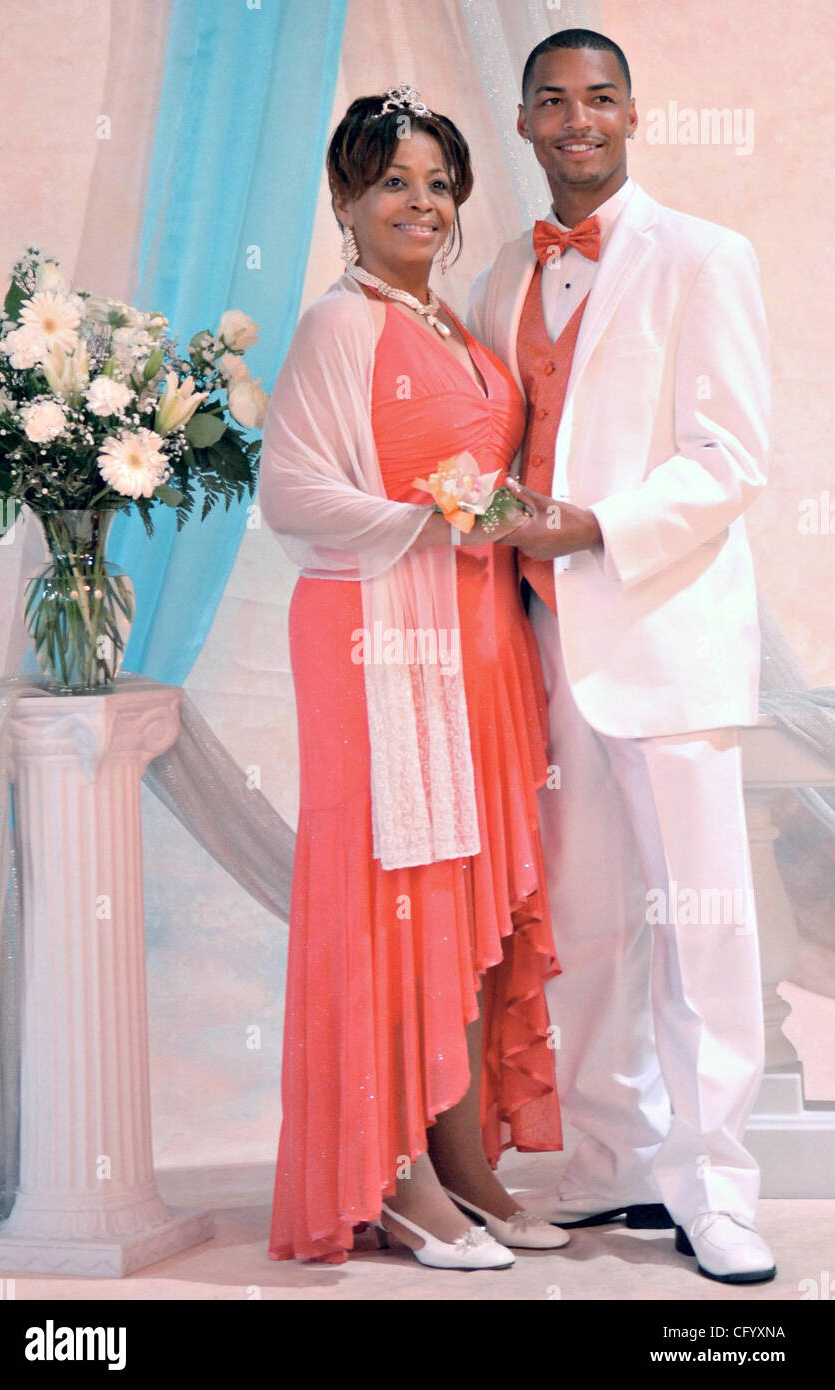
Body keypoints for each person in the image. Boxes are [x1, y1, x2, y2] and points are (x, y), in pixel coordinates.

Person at [468, 29, 775, 1284]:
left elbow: (729, 457)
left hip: (665, 637)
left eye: (599, 99)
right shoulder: (500, 271)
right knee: (587, 922)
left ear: (633, 117)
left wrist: (593, 526)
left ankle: (717, 1189)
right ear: (527, 122)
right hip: (542, 648)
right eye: (553, 101)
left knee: (699, 928)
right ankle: (611, 1163)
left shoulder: (702, 257)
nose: (576, 119)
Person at [259, 87, 569, 1268]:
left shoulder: (451, 326)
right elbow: (292, 495)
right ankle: (381, 1173)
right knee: (385, 892)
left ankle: (457, 1155)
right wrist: (434, 514)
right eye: (393, 180)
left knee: (456, 896)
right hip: (377, 645)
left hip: (477, 648)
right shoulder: (341, 326)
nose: (421, 202)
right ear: (344, 199)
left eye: (438, 181)